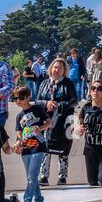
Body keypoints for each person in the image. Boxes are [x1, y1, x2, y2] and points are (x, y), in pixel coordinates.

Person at [36, 56, 77, 185]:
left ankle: (62, 176)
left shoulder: (68, 83)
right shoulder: (44, 83)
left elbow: (74, 101)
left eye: (60, 68)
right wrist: (46, 103)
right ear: (50, 68)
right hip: (46, 119)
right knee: (45, 147)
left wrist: (60, 105)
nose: (57, 70)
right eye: (55, 67)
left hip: (64, 119)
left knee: (64, 148)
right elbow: (37, 100)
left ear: (64, 70)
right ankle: (43, 175)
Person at [10, 85, 50, 202]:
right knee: (31, 177)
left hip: (38, 147)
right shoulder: (19, 116)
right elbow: (19, 134)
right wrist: (18, 143)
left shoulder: (37, 109)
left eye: (21, 98)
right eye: (15, 98)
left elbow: (49, 122)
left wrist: (41, 128)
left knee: (32, 176)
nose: (18, 101)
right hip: (26, 149)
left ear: (28, 97)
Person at [77, 81, 102, 187]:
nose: (96, 91)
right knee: (92, 182)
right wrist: (80, 129)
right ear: (90, 92)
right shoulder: (86, 107)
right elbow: (80, 124)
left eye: (99, 89)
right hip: (90, 149)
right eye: (93, 88)